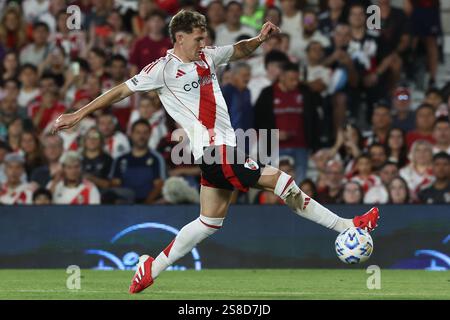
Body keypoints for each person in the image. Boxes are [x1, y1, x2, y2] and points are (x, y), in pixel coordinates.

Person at [52, 10, 379, 294]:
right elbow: (120, 91)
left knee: (209, 222)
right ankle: (348, 225)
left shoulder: (207, 55)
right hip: (213, 150)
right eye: (197, 38)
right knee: (283, 182)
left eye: (204, 37)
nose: (202, 43)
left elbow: (237, 50)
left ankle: (149, 270)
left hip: (222, 150)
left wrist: (260, 39)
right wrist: (78, 114)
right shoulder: (161, 70)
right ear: (179, 38)